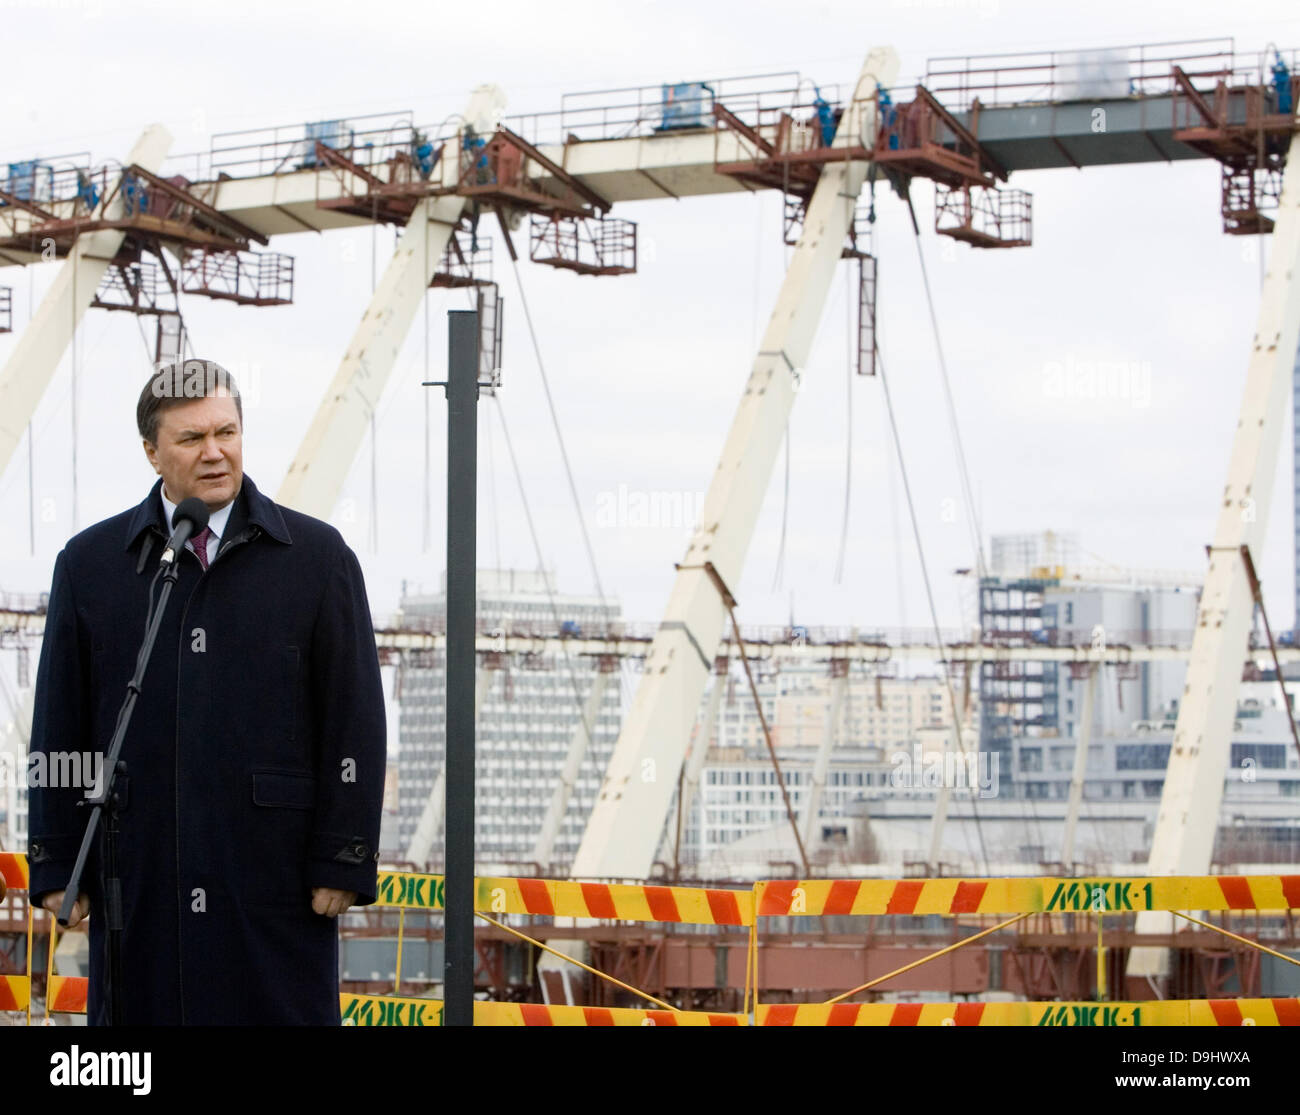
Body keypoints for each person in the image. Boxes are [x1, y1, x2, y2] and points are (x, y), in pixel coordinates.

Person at [26, 359, 386, 1025]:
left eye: (227, 432)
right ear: (151, 451)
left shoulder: (317, 559)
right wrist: (54, 861)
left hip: (273, 875)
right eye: (192, 438)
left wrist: (344, 856)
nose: (215, 452)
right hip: (138, 870)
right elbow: (59, 723)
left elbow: (354, 719)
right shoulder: (90, 564)